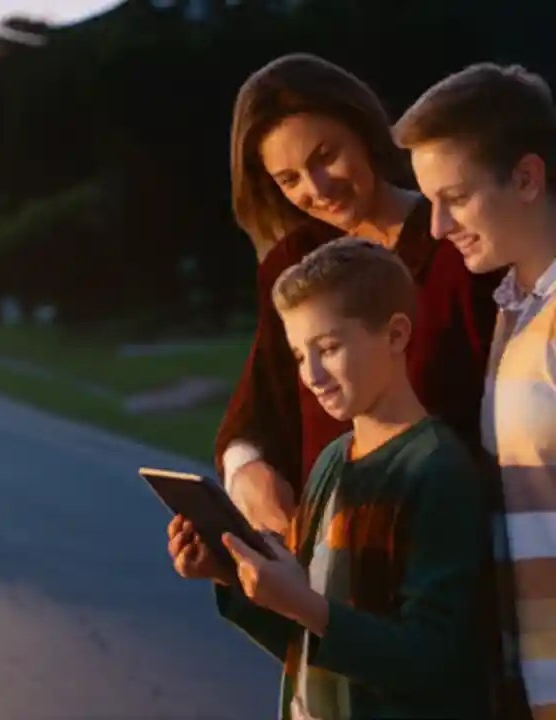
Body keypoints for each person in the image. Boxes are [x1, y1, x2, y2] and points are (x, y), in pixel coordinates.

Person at [170, 237, 490, 719]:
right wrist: (232, 576)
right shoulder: (330, 462)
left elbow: (432, 660)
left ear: (396, 334)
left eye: (329, 347)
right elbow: (310, 643)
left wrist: (303, 606)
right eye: (300, 355)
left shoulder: (437, 470)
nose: (312, 374)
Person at [215, 53, 499, 536]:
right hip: (332, 561)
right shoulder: (295, 263)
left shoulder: (459, 244)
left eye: (325, 156)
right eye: (289, 180)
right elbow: (258, 409)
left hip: (447, 551)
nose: (317, 188)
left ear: (363, 129)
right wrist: (246, 474)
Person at [395, 61, 556, 720]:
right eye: (428, 200)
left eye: (454, 197)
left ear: (525, 177)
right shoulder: (514, 315)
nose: (435, 227)